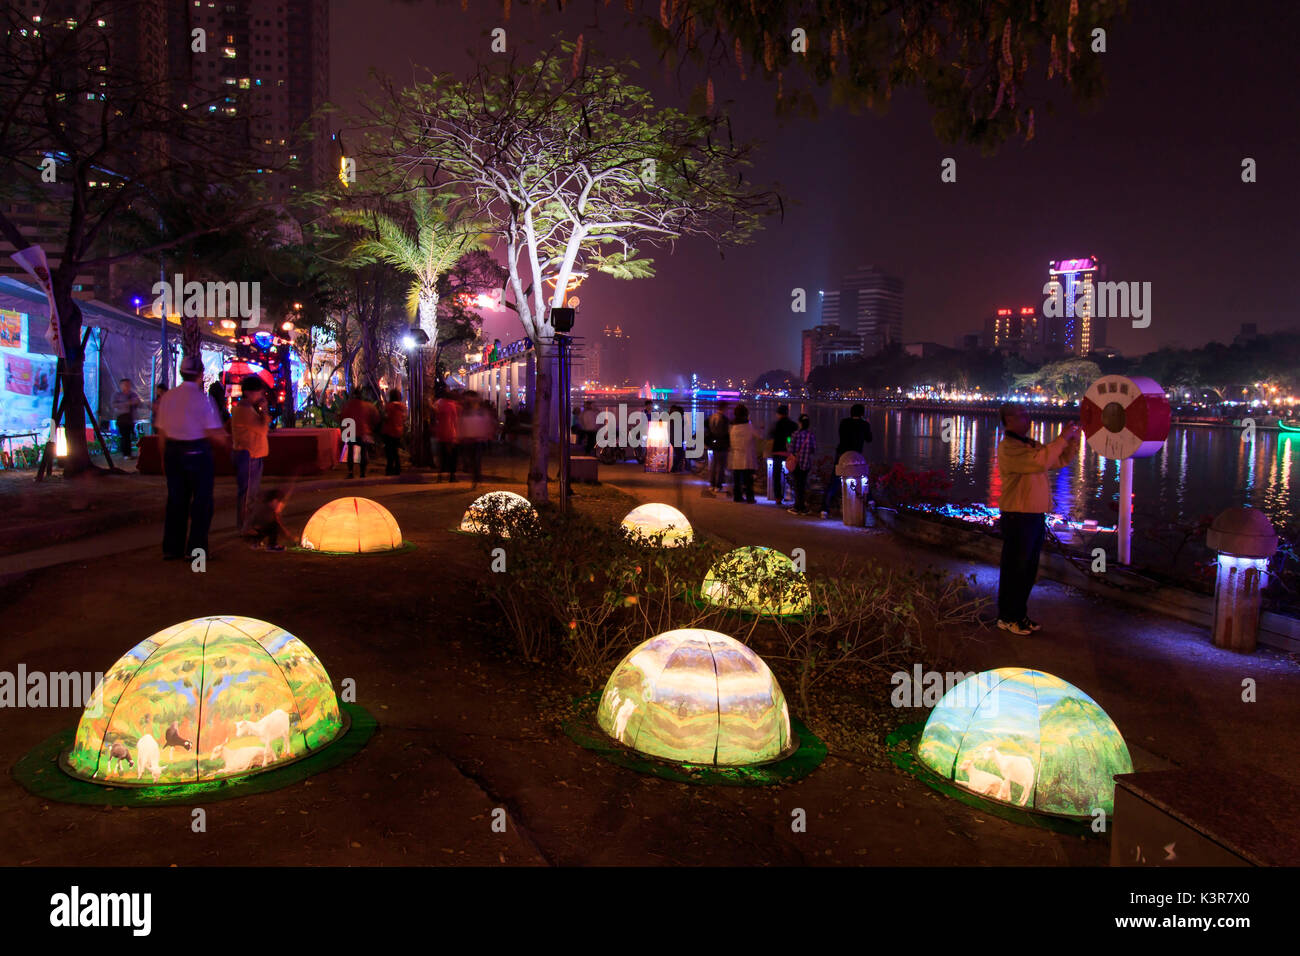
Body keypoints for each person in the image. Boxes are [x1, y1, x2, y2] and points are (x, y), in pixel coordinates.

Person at [996, 403, 1081, 635]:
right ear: (1009, 420)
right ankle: (1008, 616)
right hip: (1018, 516)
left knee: (1028, 569)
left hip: (1032, 515)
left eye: (1027, 414)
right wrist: (1062, 438)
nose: (1028, 419)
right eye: (1022, 416)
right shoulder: (1008, 448)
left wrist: (1072, 441)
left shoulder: (1029, 445)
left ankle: (1018, 614)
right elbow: (1041, 461)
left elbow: (1057, 460)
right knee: (1016, 568)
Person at [154, 355, 227, 561]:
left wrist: (163, 457)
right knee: (202, 502)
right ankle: (196, 550)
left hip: (173, 452)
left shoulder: (167, 398)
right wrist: (229, 445)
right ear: (200, 375)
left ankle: (172, 548)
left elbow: (161, 433)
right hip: (198, 452)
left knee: (176, 500)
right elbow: (214, 431)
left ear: (181, 372)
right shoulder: (204, 400)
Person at [230, 376, 270, 534]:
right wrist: (265, 411)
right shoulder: (243, 410)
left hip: (254, 454)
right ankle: (244, 526)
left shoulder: (249, 408)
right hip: (247, 454)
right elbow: (262, 428)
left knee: (251, 493)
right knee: (247, 493)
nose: (260, 395)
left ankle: (248, 524)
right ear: (247, 392)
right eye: (257, 392)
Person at [821, 404, 873, 517]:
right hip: (856, 456)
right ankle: (870, 502)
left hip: (842, 454)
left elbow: (841, 435)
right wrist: (867, 424)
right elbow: (869, 439)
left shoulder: (844, 422)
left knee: (834, 481)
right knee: (863, 478)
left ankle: (824, 509)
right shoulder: (864, 425)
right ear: (862, 413)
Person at [340, 387, 379, 479]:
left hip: (351, 431)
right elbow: (376, 416)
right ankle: (362, 472)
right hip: (363, 431)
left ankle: (350, 471)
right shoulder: (367, 405)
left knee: (350, 451)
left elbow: (343, 417)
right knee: (363, 452)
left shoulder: (348, 405)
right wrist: (371, 426)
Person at [727, 404, 759, 503]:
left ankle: (737, 496)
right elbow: (759, 435)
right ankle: (750, 497)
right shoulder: (749, 426)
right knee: (748, 479)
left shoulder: (732, 427)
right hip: (747, 456)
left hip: (735, 455)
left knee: (737, 479)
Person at [767, 404, 797, 505]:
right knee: (792, 474)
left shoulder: (776, 424)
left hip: (777, 452)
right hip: (789, 453)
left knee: (776, 475)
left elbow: (770, 435)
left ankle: (778, 497)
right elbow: (794, 437)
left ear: (778, 414)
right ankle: (793, 495)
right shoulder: (793, 424)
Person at [787, 414, 816, 515]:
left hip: (796, 463)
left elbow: (791, 449)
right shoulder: (811, 435)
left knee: (797, 484)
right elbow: (813, 449)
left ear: (799, 423)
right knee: (803, 485)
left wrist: (788, 442)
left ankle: (797, 506)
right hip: (806, 464)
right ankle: (803, 507)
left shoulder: (795, 434)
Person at [110, 378, 142, 459]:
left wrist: (135, 402)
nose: (127, 386)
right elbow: (113, 405)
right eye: (125, 385)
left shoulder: (133, 394)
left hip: (131, 418)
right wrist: (126, 403)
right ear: (121, 385)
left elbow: (138, 402)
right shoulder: (117, 395)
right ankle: (125, 454)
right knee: (125, 435)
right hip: (122, 417)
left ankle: (128, 453)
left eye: (128, 384)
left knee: (129, 435)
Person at [434, 391, 461, 481]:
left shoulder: (439, 404)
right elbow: (455, 420)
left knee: (441, 456)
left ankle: (440, 476)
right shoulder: (453, 405)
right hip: (450, 434)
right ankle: (452, 476)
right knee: (452, 456)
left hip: (441, 433)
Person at [704, 402, 730, 495]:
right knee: (721, 466)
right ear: (724, 408)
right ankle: (718, 485)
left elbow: (706, 426)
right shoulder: (724, 419)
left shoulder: (711, 417)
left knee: (714, 465)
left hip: (713, 444)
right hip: (721, 445)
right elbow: (725, 433)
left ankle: (712, 484)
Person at [380, 388, 407, 476]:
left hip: (389, 431)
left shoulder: (389, 406)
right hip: (398, 431)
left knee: (389, 451)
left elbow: (385, 417)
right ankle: (398, 469)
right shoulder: (403, 407)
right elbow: (404, 418)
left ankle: (389, 469)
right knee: (395, 451)